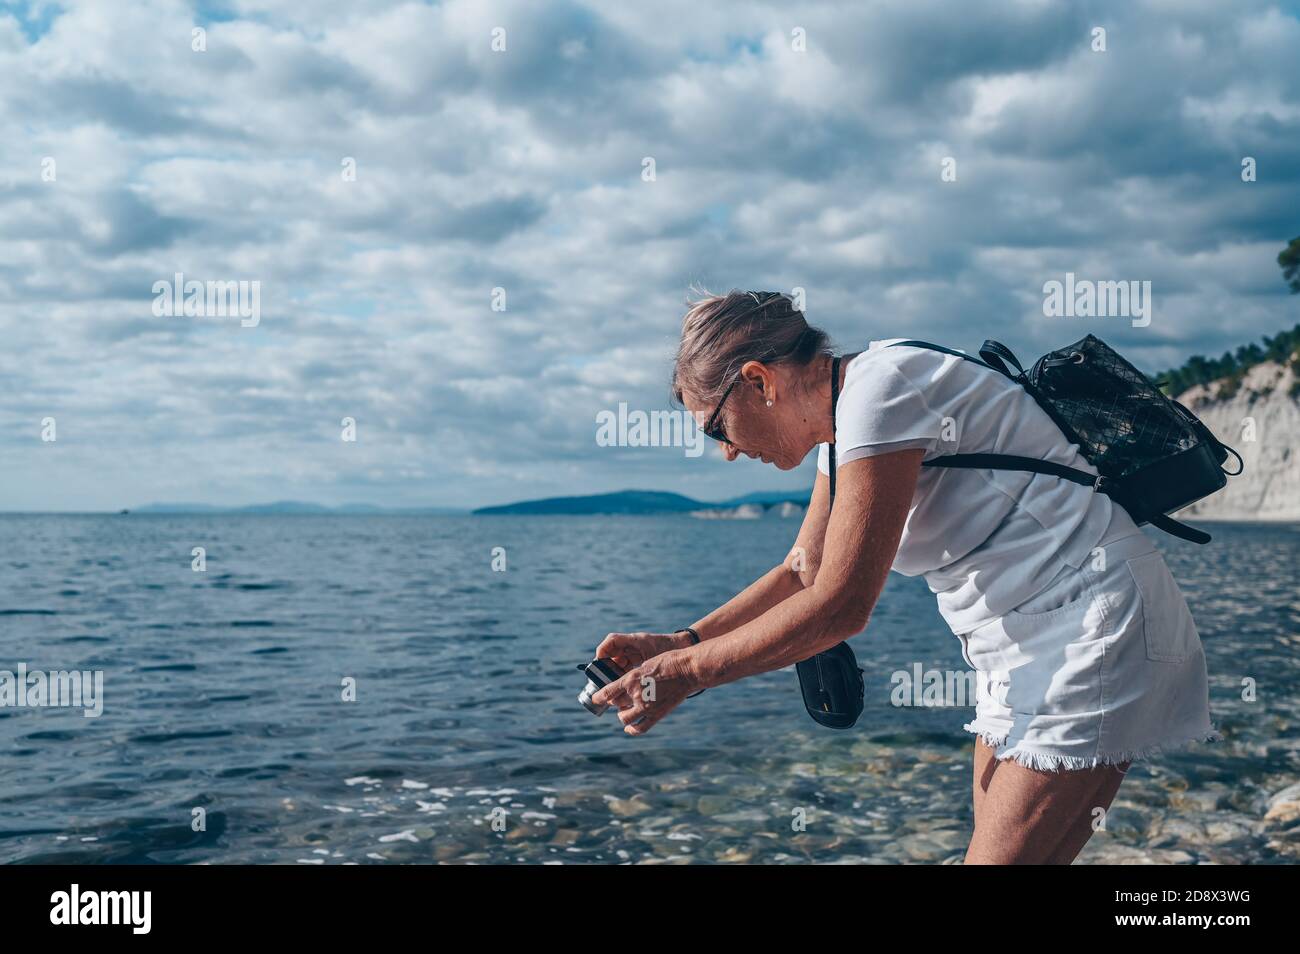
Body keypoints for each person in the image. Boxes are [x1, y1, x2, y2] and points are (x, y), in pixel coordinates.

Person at [590, 289, 1218, 864]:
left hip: (1092, 631)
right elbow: (803, 573)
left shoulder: (880, 390)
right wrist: (681, 644)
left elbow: (841, 605)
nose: (725, 450)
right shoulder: (847, 424)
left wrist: (685, 676)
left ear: (758, 381)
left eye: (714, 426)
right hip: (1026, 651)